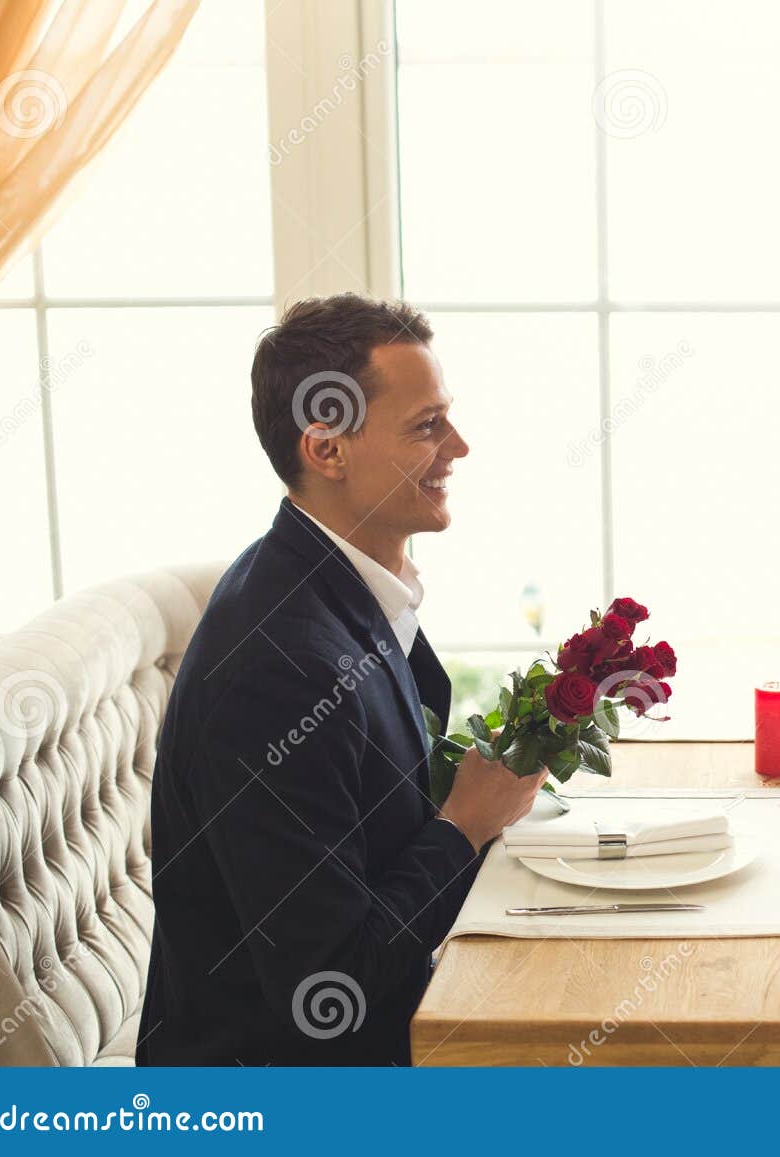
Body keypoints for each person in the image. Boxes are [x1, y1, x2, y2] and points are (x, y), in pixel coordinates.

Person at [138, 294, 545, 1065]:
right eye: (427, 425)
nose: (459, 445)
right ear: (327, 449)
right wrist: (464, 825)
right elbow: (328, 981)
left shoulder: (328, 582)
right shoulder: (276, 671)